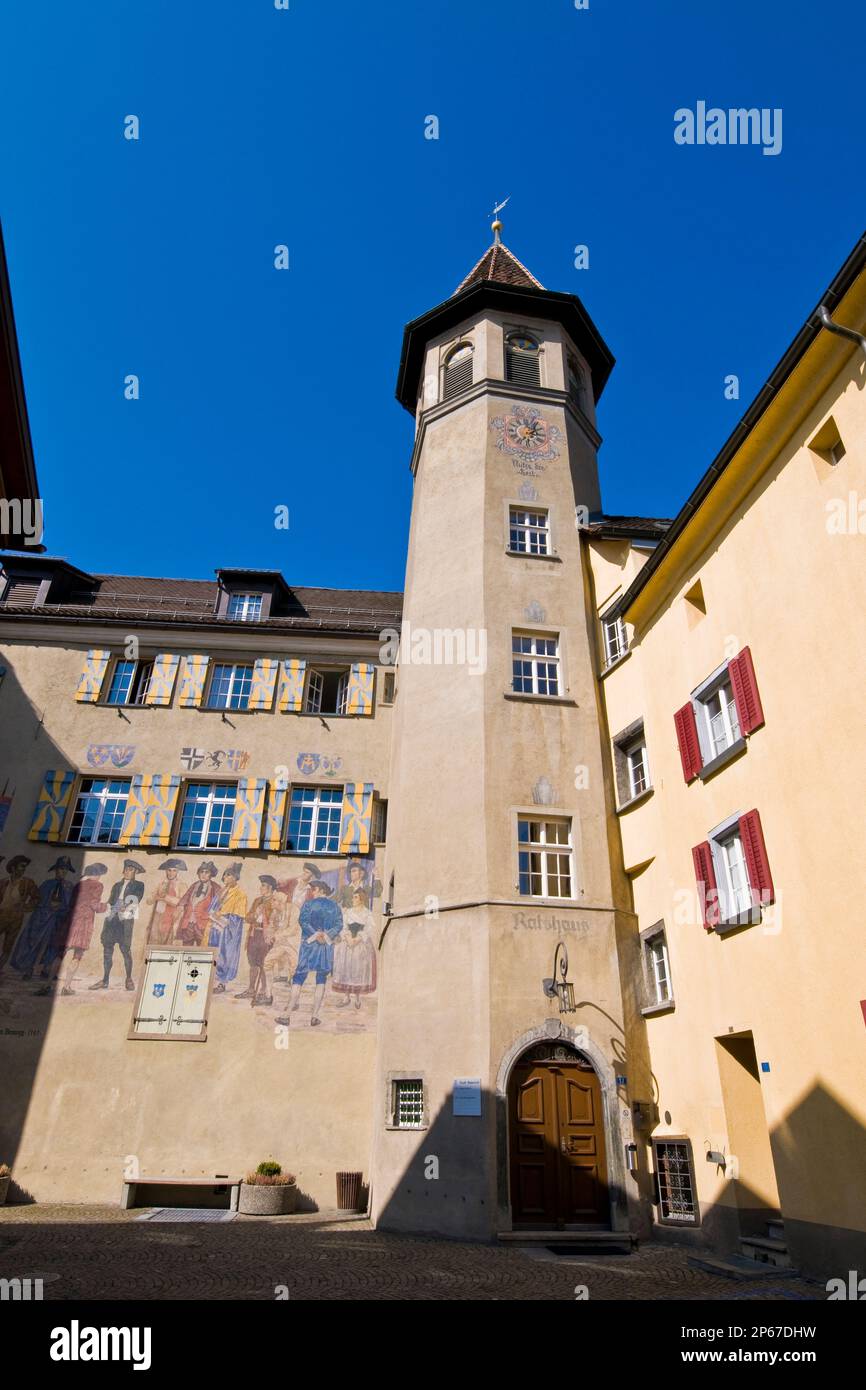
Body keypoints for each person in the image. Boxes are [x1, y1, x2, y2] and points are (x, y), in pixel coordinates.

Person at [278, 879, 343, 1027]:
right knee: (321, 979)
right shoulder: (335, 907)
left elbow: (303, 921)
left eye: (313, 890)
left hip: (309, 945)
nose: (312, 892)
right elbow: (339, 924)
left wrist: (315, 935)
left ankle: (287, 1015)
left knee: (299, 977)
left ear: (319, 890)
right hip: (326, 947)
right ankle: (314, 1016)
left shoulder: (308, 905)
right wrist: (325, 936)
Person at [38, 862, 108, 995]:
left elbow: (71, 903)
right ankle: (67, 987)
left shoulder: (78, 885)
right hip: (83, 924)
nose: (100, 877)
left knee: (60, 954)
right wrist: (106, 906)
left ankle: (47, 985)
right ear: (98, 874)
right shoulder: (98, 885)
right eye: (100, 874)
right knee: (77, 955)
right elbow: (94, 904)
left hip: (69, 922)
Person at [10, 856, 76, 980]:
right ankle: (28, 970)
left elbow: (70, 904)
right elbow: (38, 901)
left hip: (58, 920)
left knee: (53, 946)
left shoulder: (69, 886)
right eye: (61, 869)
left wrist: (62, 912)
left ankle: (46, 969)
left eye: (66, 869)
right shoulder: (47, 884)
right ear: (56, 870)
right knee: (34, 943)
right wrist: (45, 909)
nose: (63, 872)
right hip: (42, 919)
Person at [89, 859, 144, 991]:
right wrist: (108, 909)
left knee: (126, 950)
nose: (127, 872)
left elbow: (136, 900)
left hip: (125, 920)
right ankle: (105, 980)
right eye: (126, 869)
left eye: (130, 869)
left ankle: (129, 979)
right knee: (107, 950)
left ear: (135, 872)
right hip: (112, 919)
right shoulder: (116, 885)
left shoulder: (139, 885)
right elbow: (111, 901)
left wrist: (124, 906)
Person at [237, 875, 283, 1007]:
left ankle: (263, 991)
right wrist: (255, 914)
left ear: (270, 888)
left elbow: (278, 920)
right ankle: (251, 989)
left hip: (265, 936)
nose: (261, 887)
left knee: (264, 964)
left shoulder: (275, 901)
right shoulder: (257, 901)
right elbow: (247, 917)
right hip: (253, 935)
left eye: (263, 885)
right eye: (261, 885)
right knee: (253, 963)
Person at [331, 887, 376, 1010]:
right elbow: (343, 926)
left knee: (357, 970)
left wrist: (357, 939)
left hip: (360, 945)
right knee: (346, 969)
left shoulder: (367, 913)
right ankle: (346, 997)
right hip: (347, 943)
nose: (353, 899)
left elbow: (369, 929)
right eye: (353, 897)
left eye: (356, 897)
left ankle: (357, 998)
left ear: (362, 898)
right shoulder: (348, 912)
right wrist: (348, 937)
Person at [0, 854, 40, 977]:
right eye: (21, 866)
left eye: (25, 867)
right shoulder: (3, 882)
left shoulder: (27, 883)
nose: (24, 869)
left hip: (16, 917)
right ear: (13, 868)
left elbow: (36, 898)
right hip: (1, 915)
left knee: (8, 945)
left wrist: (26, 907)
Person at [210, 863, 248, 993]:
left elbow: (238, 917)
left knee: (225, 955)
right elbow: (213, 906)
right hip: (216, 927)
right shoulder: (221, 891)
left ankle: (222, 983)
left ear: (235, 877)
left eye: (229, 875)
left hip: (228, 930)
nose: (226, 877)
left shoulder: (240, 894)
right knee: (214, 952)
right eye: (225, 875)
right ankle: (212, 980)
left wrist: (222, 917)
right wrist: (213, 913)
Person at [174, 862, 220, 947]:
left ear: (211, 874)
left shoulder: (215, 888)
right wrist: (180, 907)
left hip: (203, 924)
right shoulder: (194, 886)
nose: (203, 874)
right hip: (189, 923)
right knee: (186, 947)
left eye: (206, 872)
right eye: (201, 872)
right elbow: (184, 899)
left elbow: (219, 906)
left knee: (203, 947)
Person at [145, 859, 188, 946]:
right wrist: (155, 897)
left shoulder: (181, 885)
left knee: (167, 942)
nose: (171, 873)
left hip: (172, 916)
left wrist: (165, 897)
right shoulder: (161, 884)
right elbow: (149, 900)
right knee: (154, 941)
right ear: (166, 871)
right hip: (158, 916)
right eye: (169, 870)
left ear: (177, 872)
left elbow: (182, 902)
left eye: (174, 871)